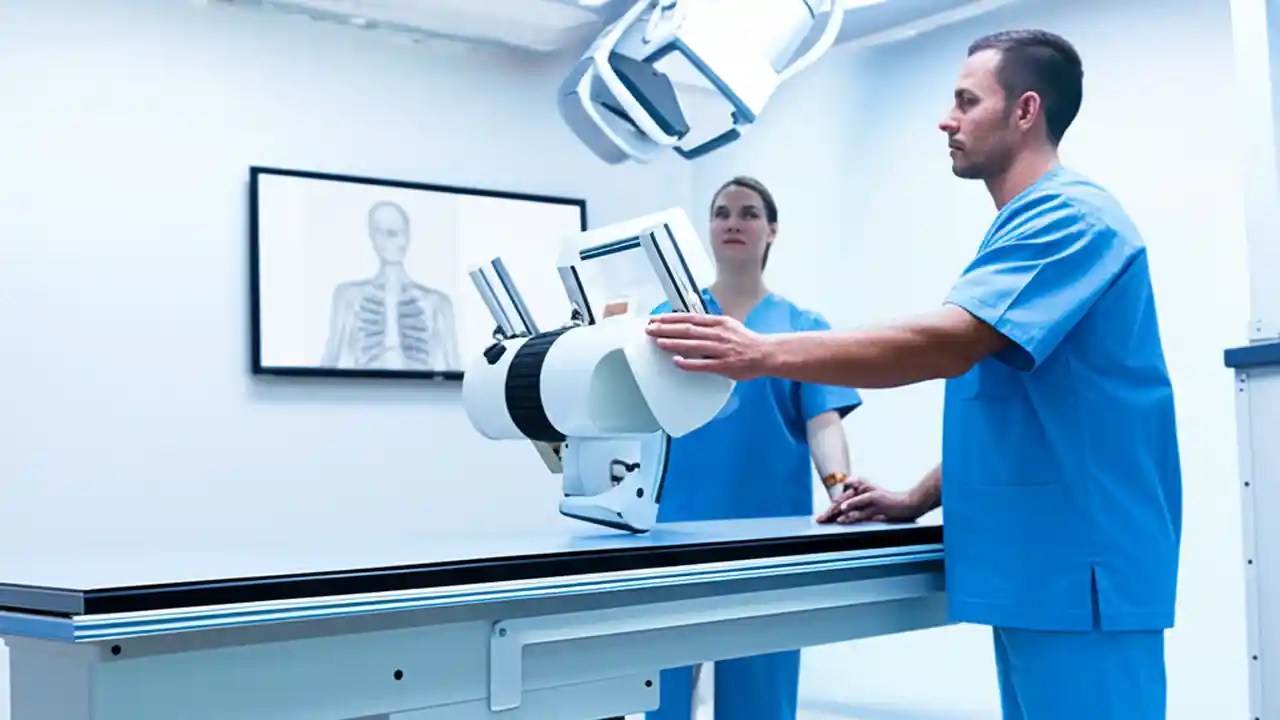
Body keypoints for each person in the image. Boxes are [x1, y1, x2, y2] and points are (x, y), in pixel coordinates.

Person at [645, 30, 1181, 720]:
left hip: (1081, 568)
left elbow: (948, 343)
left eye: (965, 100)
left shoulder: (1072, 218)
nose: (945, 118)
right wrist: (916, 498)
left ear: (1024, 111)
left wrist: (764, 354)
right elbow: (1011, 408)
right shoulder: (1021, 227)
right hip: (1040, 568)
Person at [647, 176, 865, 720]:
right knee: (662, 690)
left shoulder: (801, 329)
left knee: (760, 698)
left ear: (771, 231)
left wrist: (841, 491)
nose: (733, 222)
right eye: (721, 213)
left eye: (747, 213)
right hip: (673, 532)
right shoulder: (669, 322)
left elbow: (824, 422)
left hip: (766, 535)